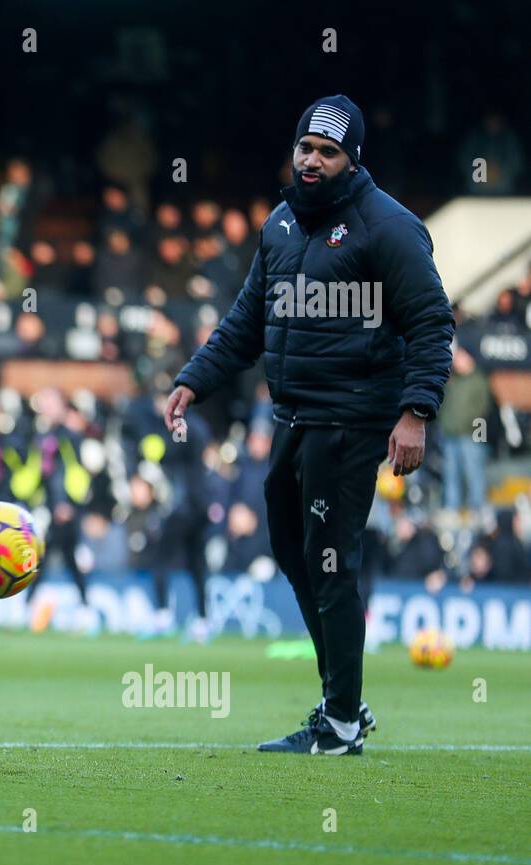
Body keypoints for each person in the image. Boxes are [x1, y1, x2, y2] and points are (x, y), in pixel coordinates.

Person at [164, 95, 454, 755]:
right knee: (295, 555)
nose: (313, 160)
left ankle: (343, 723)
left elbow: (432, 324)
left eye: (328, 151)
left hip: (352, 420)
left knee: (330, 564)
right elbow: (247, 324)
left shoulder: (389, 228)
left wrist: (416, 413)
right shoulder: (282, 225)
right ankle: (342, 701)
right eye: (306, 149)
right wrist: (193, 379)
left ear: (353, 160)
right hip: (292, 416)